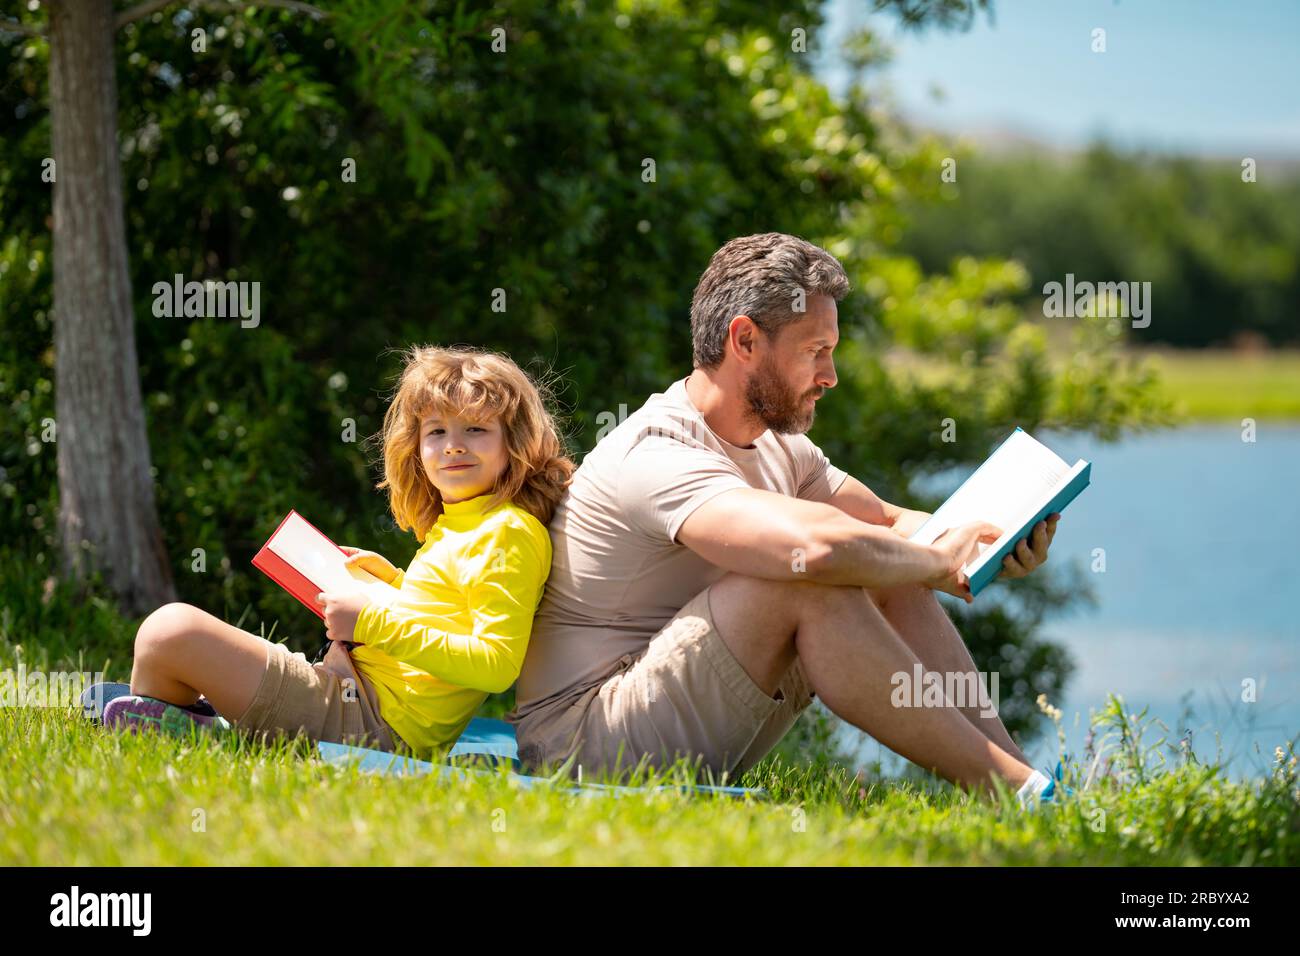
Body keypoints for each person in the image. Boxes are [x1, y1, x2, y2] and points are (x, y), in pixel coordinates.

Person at [507, 232, 1061, 805]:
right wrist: (935, 557)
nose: (830, 376)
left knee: (877, 563)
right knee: (808, 581)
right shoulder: (655, 452)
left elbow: (893, 527)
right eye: (814, 351)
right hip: (581, 743)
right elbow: (817, 551)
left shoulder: (777, 447)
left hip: (668, 721)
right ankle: (1009, 789)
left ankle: (1021, 785)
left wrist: (989, 542)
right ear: (744, 340)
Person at [107, 345, 572, 760]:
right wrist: (391, 583)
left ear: (514, 443)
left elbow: (495, 665)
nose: (453, 446)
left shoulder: (506, 532)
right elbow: (449, 612)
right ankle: (186, 729)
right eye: (436, 432)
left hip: (373, 726)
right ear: (416, 448)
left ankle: (184, 733)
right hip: (352, 693)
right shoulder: (462, 523)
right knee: (166, 639)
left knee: (169, 632)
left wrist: (369, 621)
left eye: (475, 429)